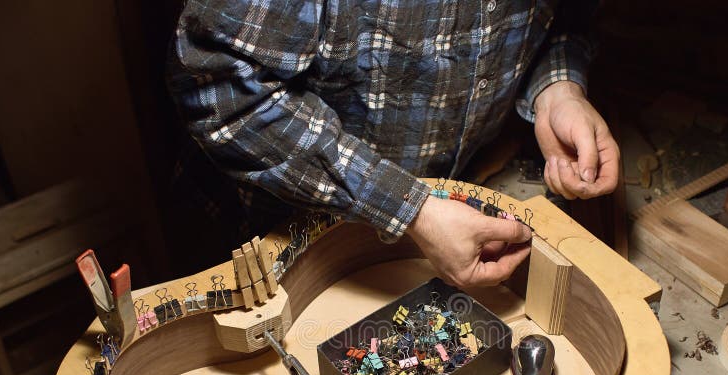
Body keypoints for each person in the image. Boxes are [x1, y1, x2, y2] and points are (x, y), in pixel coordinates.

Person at [167, 0, 619, 286]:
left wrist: (558, 90)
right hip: (268, 235)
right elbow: (225, 95)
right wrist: (412, 209)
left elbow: (571, 18)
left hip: (442, 221)